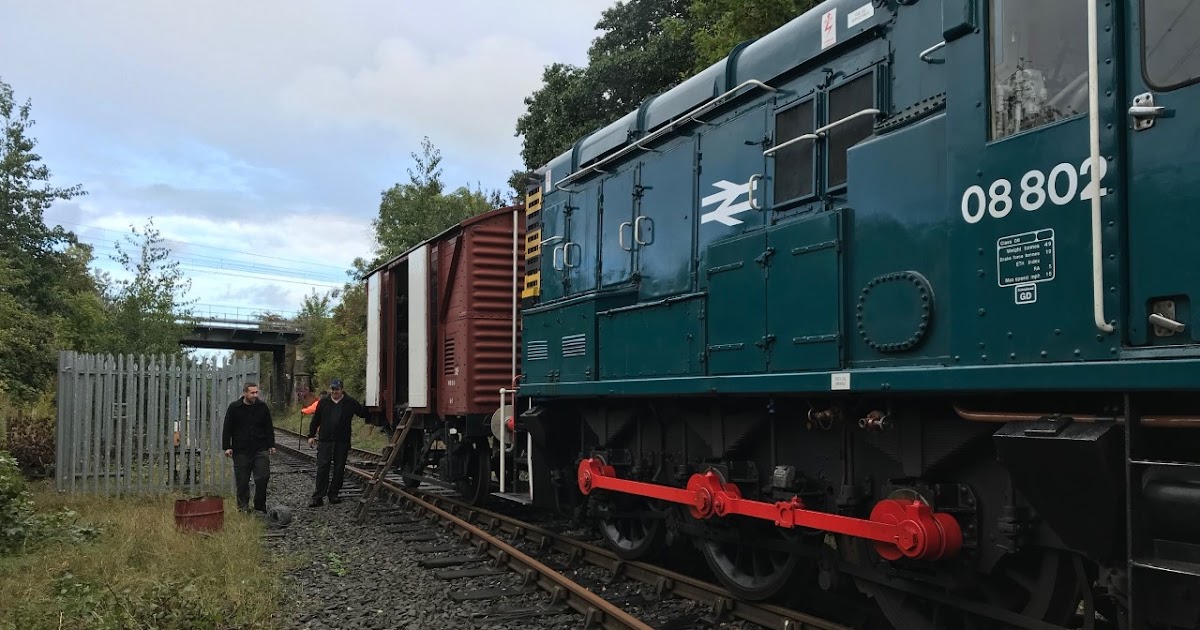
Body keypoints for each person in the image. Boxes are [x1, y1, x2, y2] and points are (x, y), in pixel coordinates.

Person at [306, 379, 368, 507]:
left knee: (339, 468)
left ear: (341, 390)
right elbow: (316, 419)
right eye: (333, 389)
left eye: (337, 389)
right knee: (323, 467)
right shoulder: (323, 402)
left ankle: (333, 494)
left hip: (342, 441)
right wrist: (311, 435)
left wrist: (369, 404)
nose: (334, 392)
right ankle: (318, 496)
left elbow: (362, 413)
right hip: (325, 440)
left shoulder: (350, 402)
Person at [221, 382, 276, 513]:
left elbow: (268, 427)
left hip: (260, 448)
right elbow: (227, 428)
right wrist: (227, 447)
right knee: (242, 481)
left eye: (256, 392)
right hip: (241, 450)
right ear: (244, 393)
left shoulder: (262, 407)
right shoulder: (234, 408)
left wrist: (271, 444)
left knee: (263, 477)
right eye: (252, 393)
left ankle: (259, 505)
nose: (255, 395)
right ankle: (243, 508)